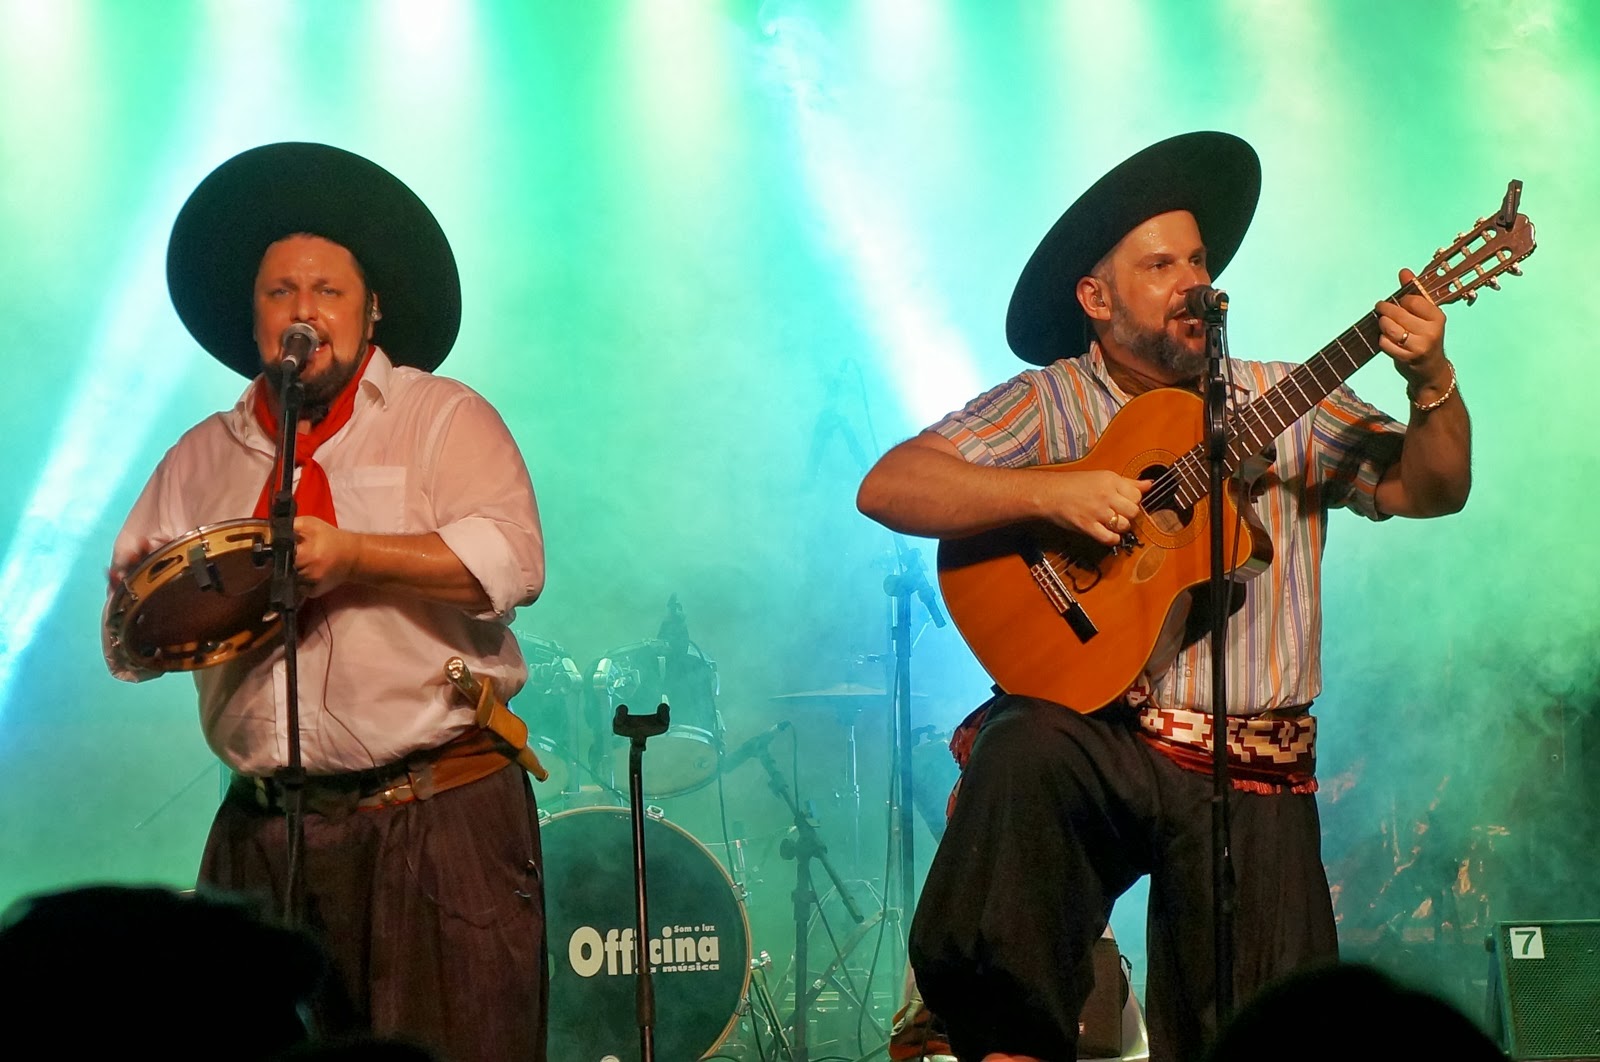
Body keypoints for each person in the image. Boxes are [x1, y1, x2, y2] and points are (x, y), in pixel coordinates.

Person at [856, 130, 1471, 1062]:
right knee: (1022, 747)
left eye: (1197, 259)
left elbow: (1431, 490)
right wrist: (1050, 490)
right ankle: (990, 1040)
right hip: (1109, 739)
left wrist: (1432, 381)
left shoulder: (1281, 395)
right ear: (1095, 300)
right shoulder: (1051, 402)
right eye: (1158, 264)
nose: (1191, 279)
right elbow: (892, 485)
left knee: (1271, 1037)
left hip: (1255, 760)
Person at [101, 142, 548, 1062]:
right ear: (254, 315)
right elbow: (134, 647)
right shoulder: (201, 455)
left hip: (436, 818)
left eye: (328, 290)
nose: (303, 311)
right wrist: (157, 600)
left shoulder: (443, 417)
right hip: (264, 828)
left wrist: (352, 556)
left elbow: (512, 563)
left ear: (371, 307)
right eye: (279, 292)